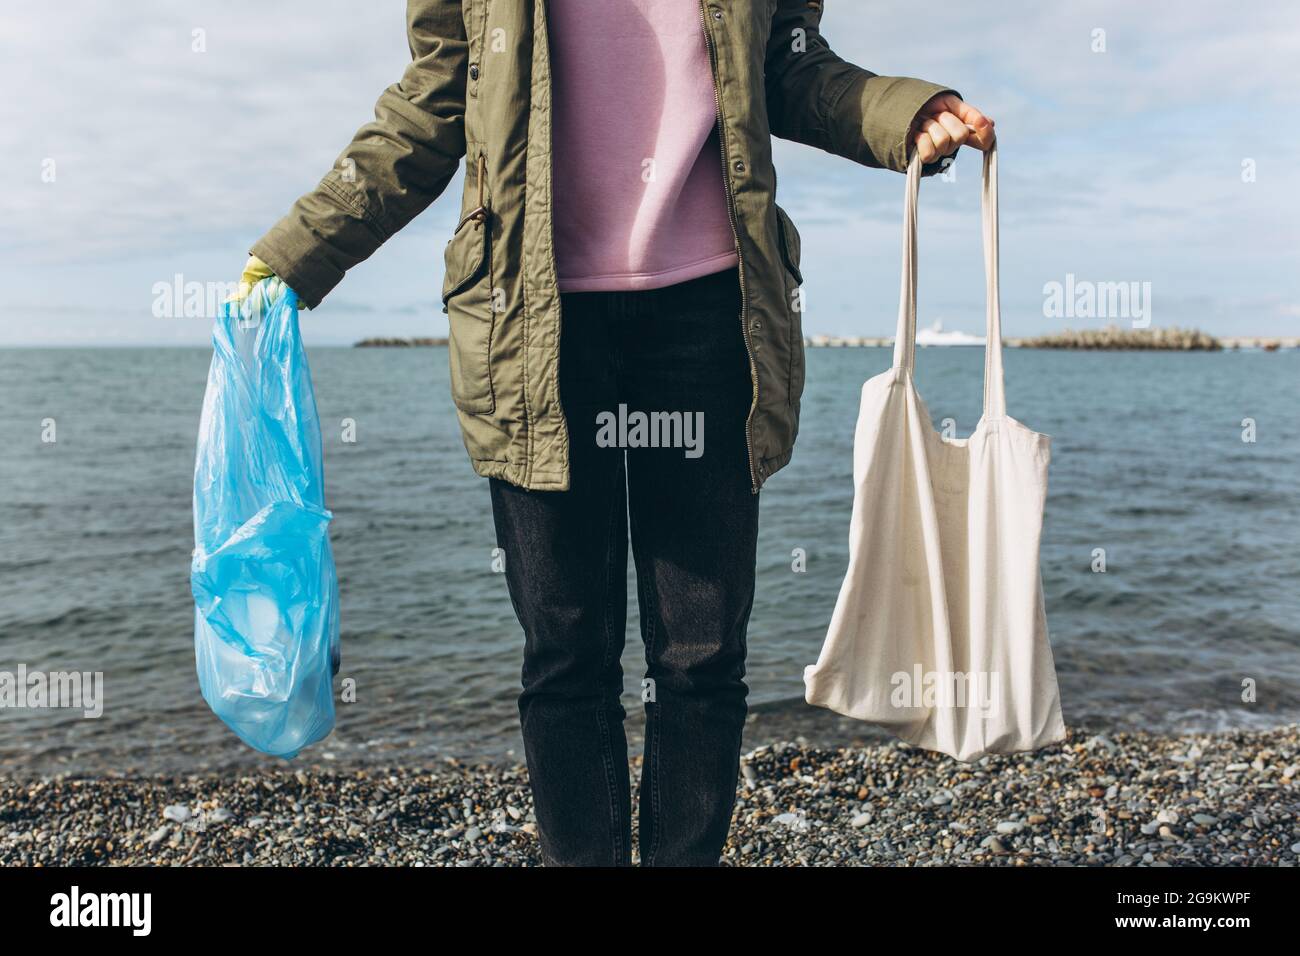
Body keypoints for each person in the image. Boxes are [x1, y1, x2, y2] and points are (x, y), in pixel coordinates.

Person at [238, 0, 995, 866]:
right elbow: (437, 97)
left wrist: (906, 110)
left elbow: (787, 66)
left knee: (702, 656)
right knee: (565, 654)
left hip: (712, 313)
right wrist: (301, 250)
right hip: (532, 322)